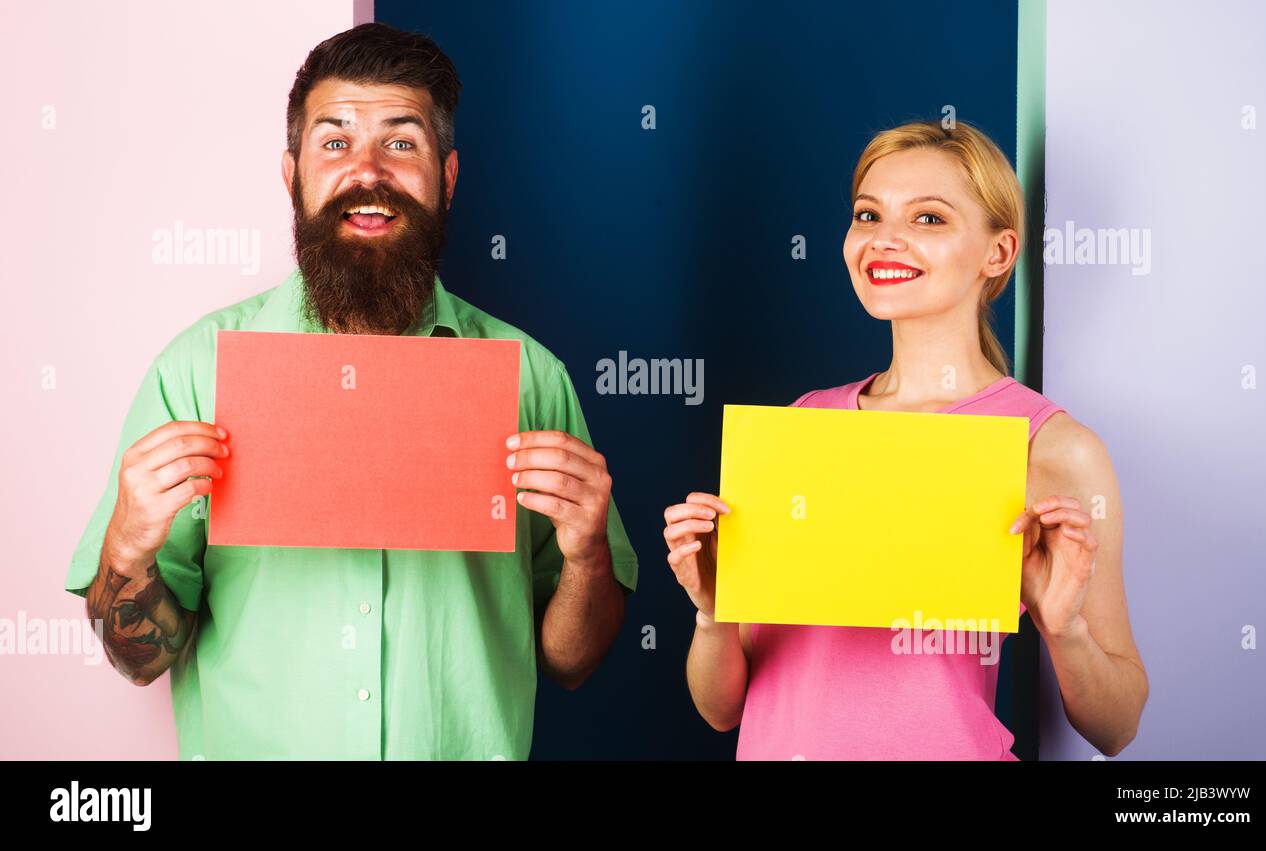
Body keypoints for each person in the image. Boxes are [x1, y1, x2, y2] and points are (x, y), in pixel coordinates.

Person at [65, 23, 637, 760]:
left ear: (449, 175)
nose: (367, 172)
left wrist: (589, 555)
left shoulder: (531, 377)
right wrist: (128, 547)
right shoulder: (196, 371)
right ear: (291, 173)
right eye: (334, 142)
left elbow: (572, 659)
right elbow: (141, 658)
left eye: (401, 142)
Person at [662, 120, 1147, 760]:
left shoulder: (1050, 447)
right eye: (868, 215)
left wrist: (1066, 629)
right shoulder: (803, 425)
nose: (884, 240)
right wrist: (713, 612)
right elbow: (722, 710)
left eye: (928, 219)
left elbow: (1117, 727)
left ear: (998, 254)